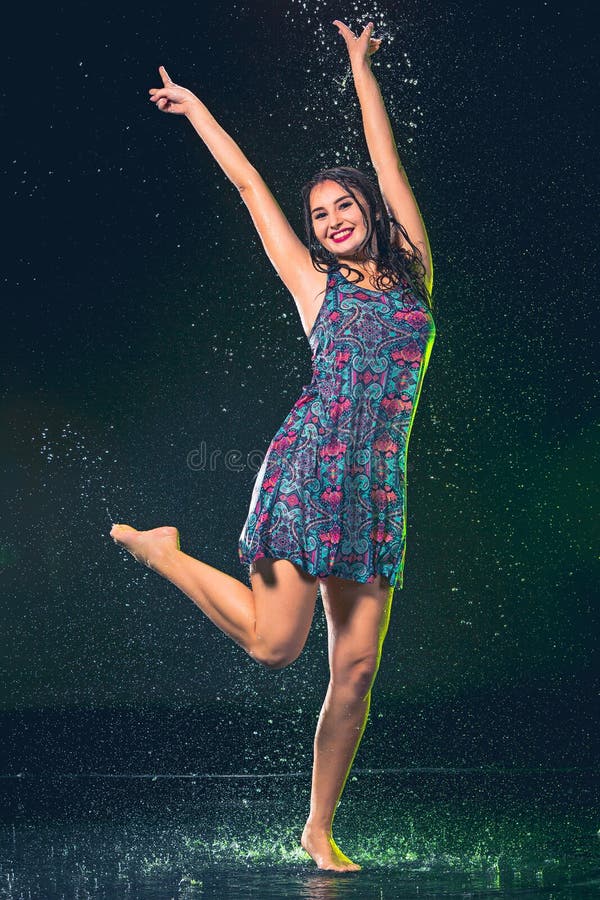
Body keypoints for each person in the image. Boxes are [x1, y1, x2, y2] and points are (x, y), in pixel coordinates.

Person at [110, 19, 436, 872]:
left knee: (355, 673)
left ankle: (318, 828)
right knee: (276, 645)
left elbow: (384, 152)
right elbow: (254, 188)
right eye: (318, 213)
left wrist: (360, 68)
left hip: (375, 493)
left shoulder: (416, 275)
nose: (330, 220)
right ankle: (168, 555)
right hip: (305, 473)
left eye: (343, 205)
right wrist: (199, 111)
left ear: (368, 208)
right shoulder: (313, 287)